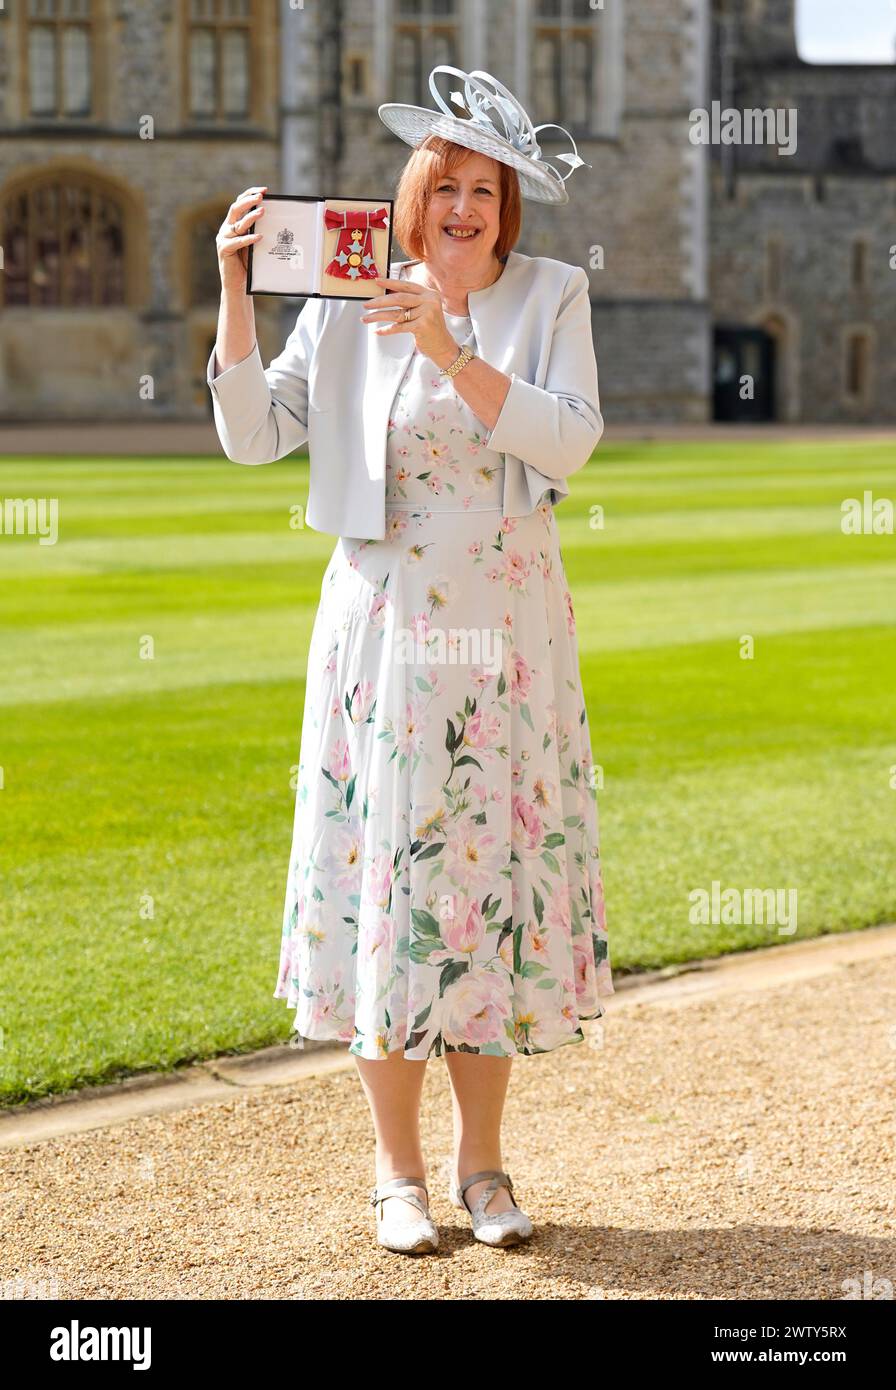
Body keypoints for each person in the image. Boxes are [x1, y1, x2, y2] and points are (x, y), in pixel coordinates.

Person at [208, 66, 614, 1256]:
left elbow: (570, 440)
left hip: (505, 630)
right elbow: (252, 434)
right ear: (411, 194)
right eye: (445, 187)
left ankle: (481, 1169)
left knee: (482, 873)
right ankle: (397, 1177)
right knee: (392, 874)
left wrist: (445, 344)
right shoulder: (343, 292)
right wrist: (235, 290)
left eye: (484, 192)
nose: (462, 211)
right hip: (381, 627)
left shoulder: (550, 295)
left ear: (508, 207)